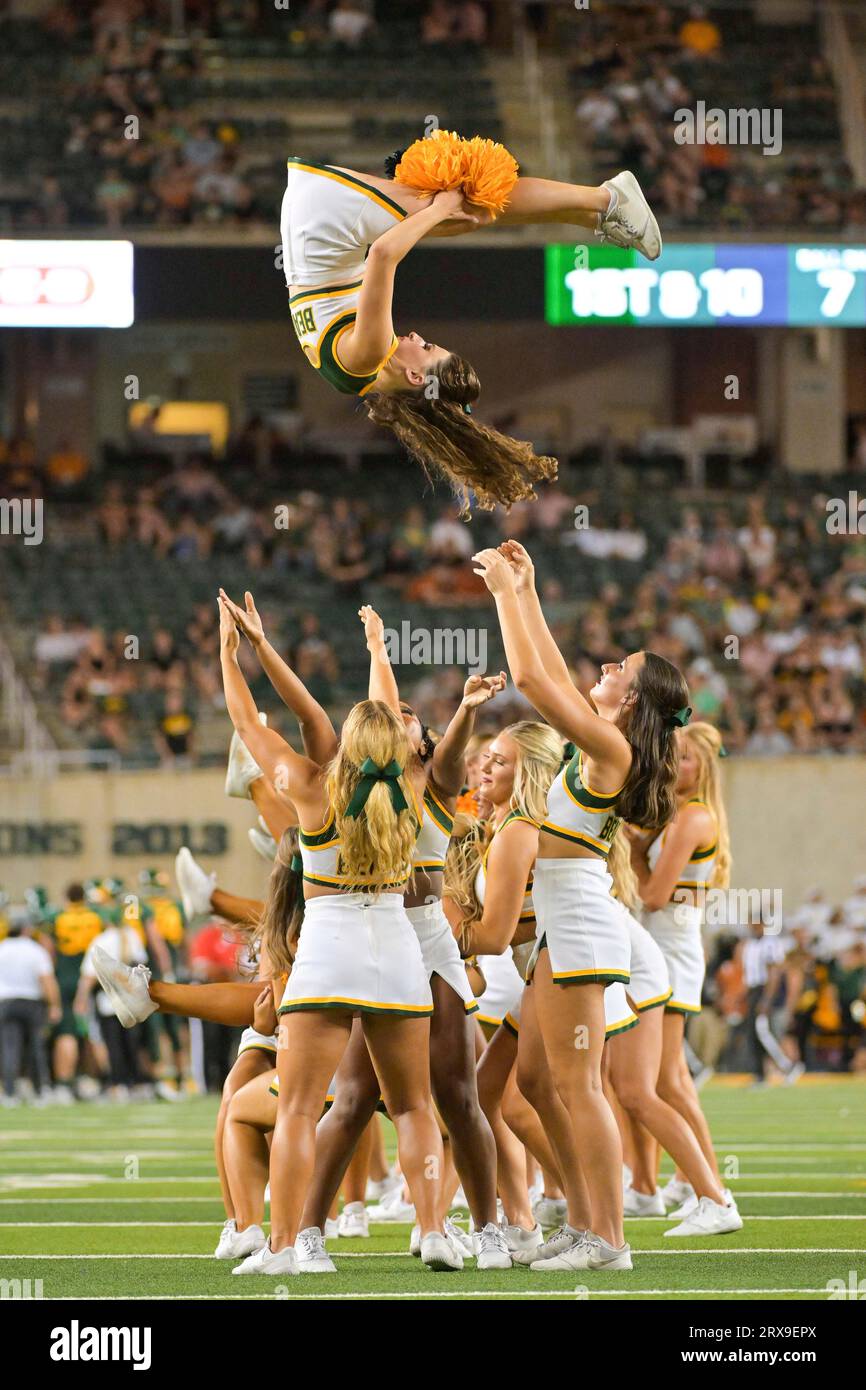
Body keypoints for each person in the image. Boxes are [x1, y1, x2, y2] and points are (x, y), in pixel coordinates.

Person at [472, 537, 689, 1273]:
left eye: (617, 671)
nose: (604, 670)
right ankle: (585, 1218)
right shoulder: (601, 741)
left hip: (577, 925)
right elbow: (556, 675)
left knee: (576, 1082)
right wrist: (528, 588)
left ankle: (609, 1238)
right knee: (536, 1078)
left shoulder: (610, 751)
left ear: (628, 702)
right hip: (561, 926)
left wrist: (503, 593)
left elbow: (533, 677)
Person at [281, 133, 661, 508]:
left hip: (323, 214)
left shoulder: (369, 357)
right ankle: (596, 216)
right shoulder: (354, 380)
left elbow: (383, 255)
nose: (416, 336)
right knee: (467, 218)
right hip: (314, 214)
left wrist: (437, 209)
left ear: (416, 378)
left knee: (471, 202)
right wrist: (436, 215)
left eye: (427, 348)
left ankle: (607, 198)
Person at [0, 909, 59, 1106]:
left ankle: (9, 1092)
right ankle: (41, 1090)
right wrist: (54, 1004)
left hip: (6, 1002)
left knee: (9, 1048)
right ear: (26, 929)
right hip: (31, 1002)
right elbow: (46, 980)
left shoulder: (2, 948)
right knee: (36, 1047)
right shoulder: (35, 950)